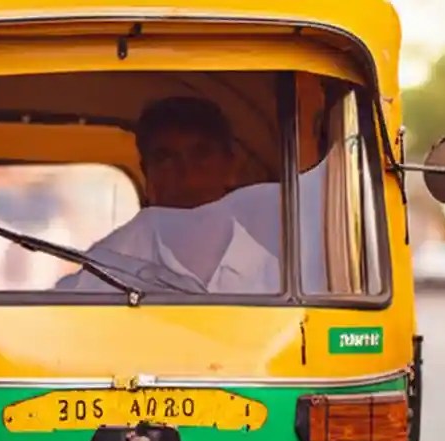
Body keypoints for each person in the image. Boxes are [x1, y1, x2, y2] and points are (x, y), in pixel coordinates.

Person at [55, 96, 281, 294]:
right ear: (148, 177)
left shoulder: (277, 271)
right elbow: (61, 315)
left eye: (200, 154)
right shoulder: (116, 259)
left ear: (231, 167)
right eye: (165, 158)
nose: (186, 171)